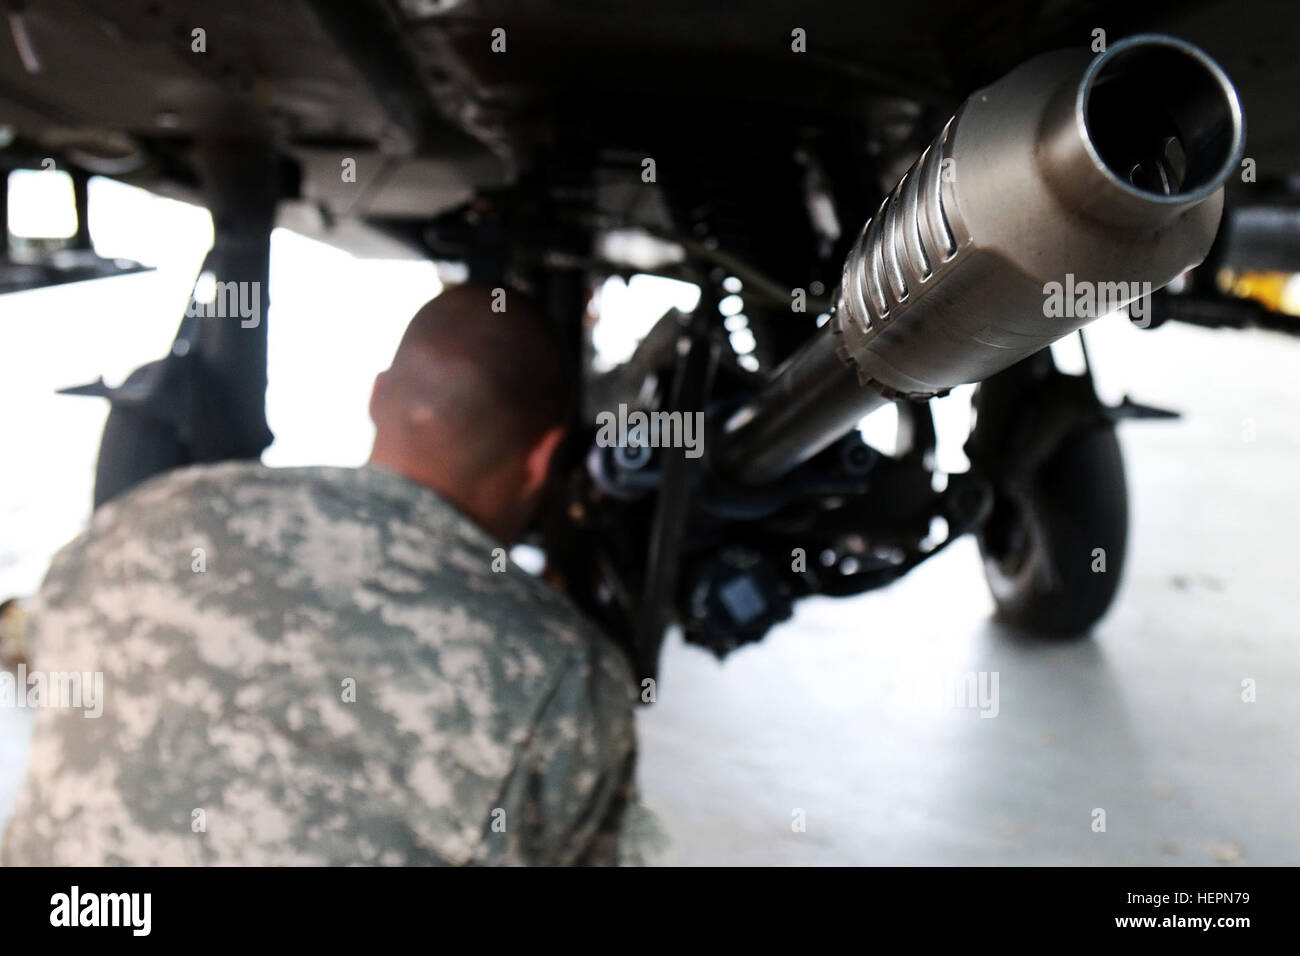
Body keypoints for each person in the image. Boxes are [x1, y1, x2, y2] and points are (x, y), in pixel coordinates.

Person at [1, 283, 639, 866]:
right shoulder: (567, 672)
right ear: (543, 458)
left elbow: (40, 657)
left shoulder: (151, 514)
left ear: (376, 396)